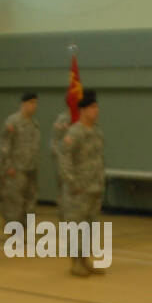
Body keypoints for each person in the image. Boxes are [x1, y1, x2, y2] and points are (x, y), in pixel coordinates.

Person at [58, 91, 106, 278]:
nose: (97, 111)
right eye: (93, 107)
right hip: (78, 189)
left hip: (94, 186)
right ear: (83, 110)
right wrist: (71, 182)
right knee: (76, 226)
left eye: (97, 107)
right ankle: (75, 263)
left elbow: (99, 158)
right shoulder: (74, 132)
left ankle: (86, 260)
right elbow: (65, 157)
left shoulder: (97, 132)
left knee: (91, 226)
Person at [0, 92, 41, 227]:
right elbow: (4, 145)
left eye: (36, 103)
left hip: (30, 169)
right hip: (16, 170)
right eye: (31, 103)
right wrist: (7, 166)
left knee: (30, 203)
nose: (34, 106)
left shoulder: (34, 123)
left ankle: (27, 231)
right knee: (14, 203)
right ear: (23, 104)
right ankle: (14, 233)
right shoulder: (12, 122)